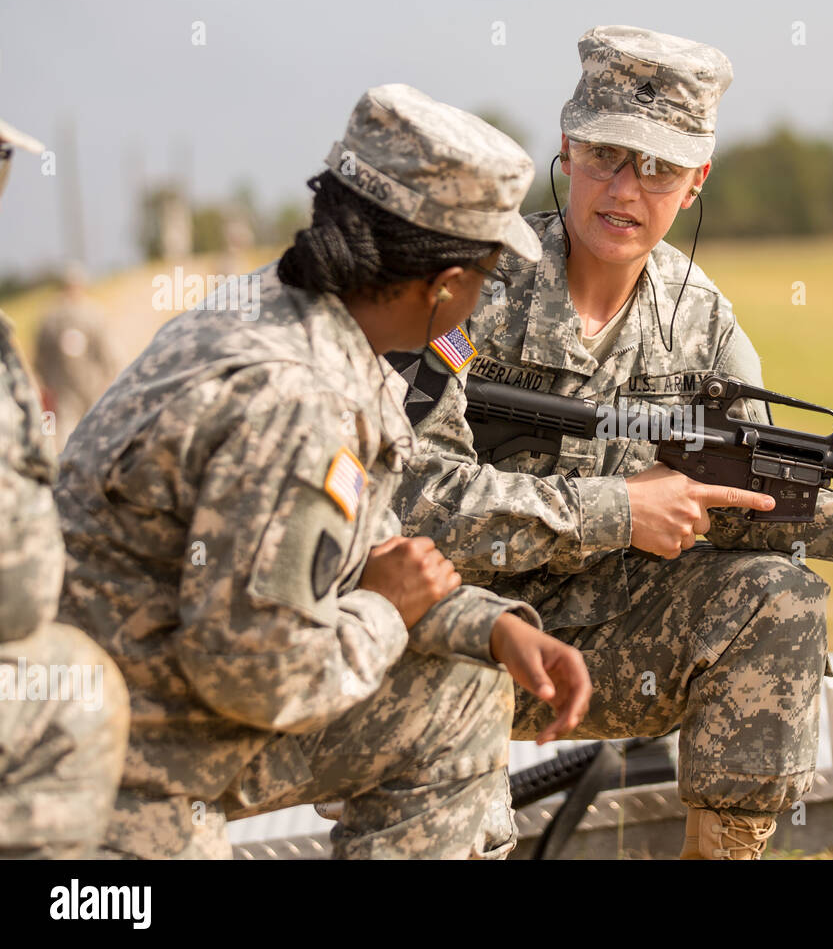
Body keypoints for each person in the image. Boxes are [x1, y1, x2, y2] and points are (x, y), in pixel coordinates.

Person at [391, 27, 833, 859]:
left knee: (778, 596)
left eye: (658, 168)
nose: (624, 189)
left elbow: (758, 495)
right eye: (605, 155)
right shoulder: (472, 291)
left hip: (602, 640)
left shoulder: (701, 319)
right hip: (444, 635)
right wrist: (618, 509)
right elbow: (406, 499)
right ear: (566, 148)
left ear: (697, 179)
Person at [54, 85, 590, 859]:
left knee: (464, 689)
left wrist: (491, 626)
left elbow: (357, 556)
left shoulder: (279, 309)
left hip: (143, 696)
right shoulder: (300, 399)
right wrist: (384, 611)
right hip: (124, 759)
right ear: (445, 283)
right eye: (489, 276)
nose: (481, 299)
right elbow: (259, 675)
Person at [0, 114, 129, 858]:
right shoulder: (73, 316)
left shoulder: (48, 317)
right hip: (82, 404)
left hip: (67, 403)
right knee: (77, 693)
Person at [34, 261, 121, 452]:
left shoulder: (51, 317)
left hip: (81, 386)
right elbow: (110, 353)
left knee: (69, 435)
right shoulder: (92, 314)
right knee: (92, 434)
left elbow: (40, 358)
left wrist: (46, 381)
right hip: (73, 388)